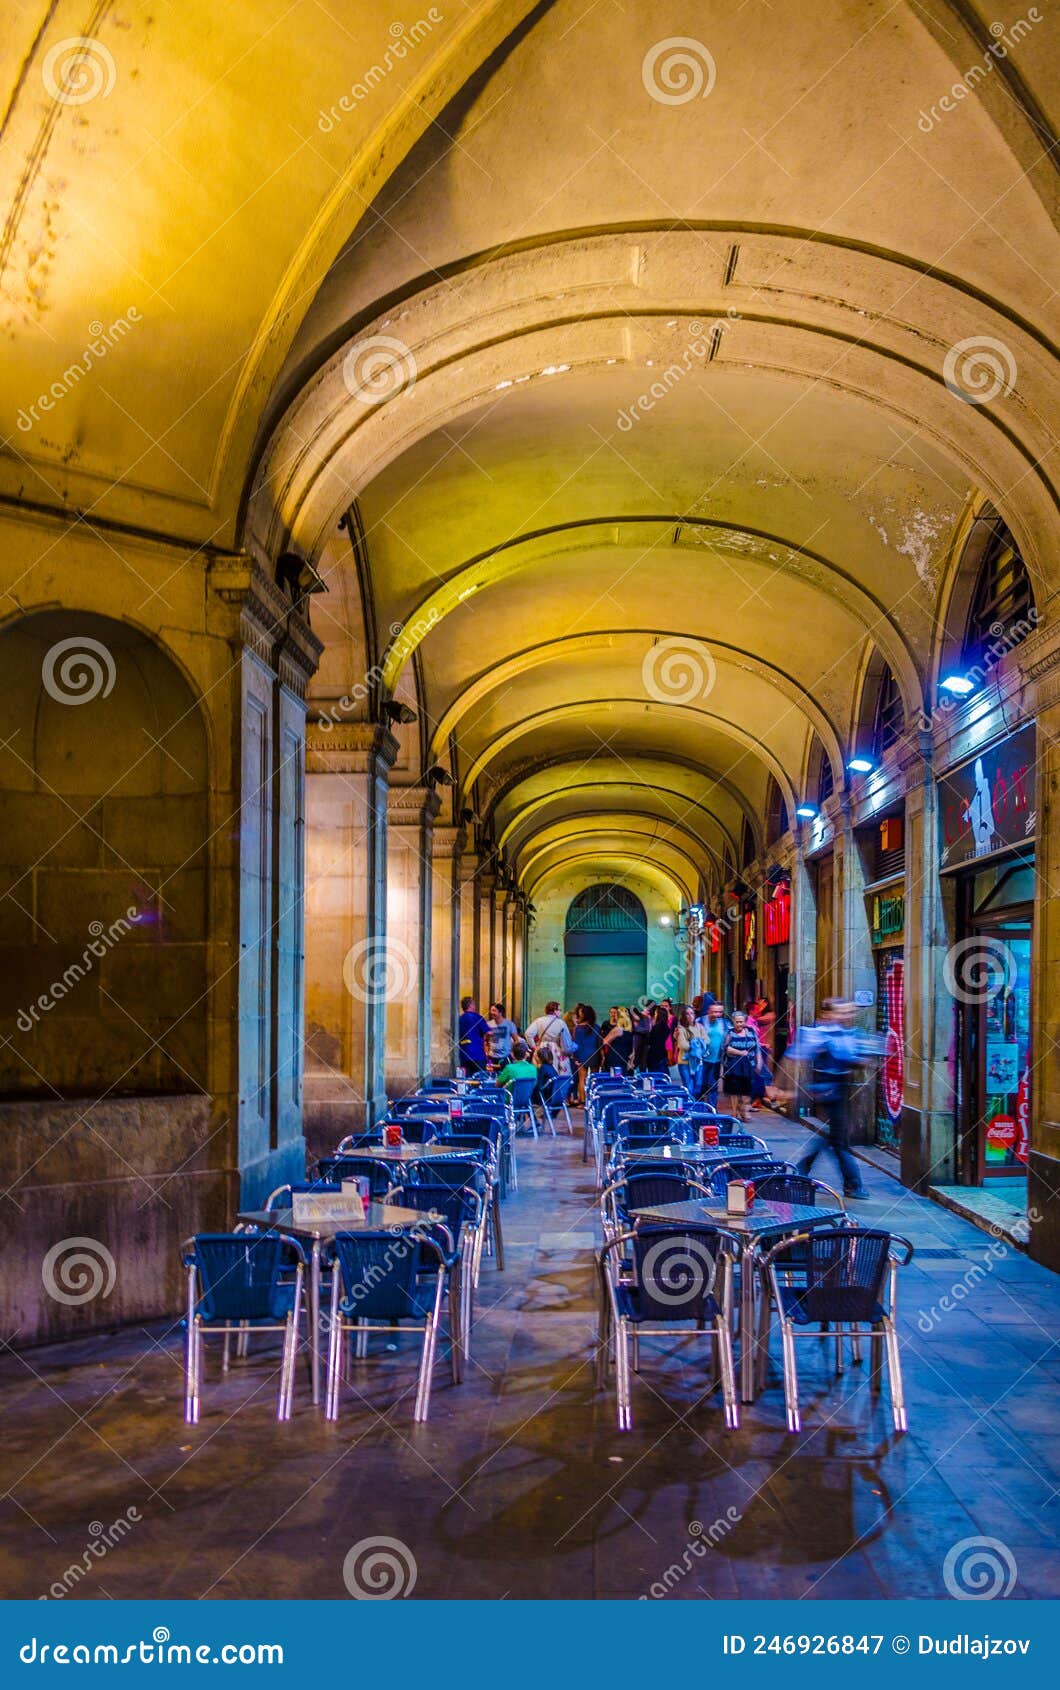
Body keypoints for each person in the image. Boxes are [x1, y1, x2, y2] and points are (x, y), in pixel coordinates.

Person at [786, 999, 871, 1198]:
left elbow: (851, 1060)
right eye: (843, 1012)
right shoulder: (821, 1034)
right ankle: (853, 1184)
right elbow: (796, 1055)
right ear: (830, 1014)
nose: (847, 1015)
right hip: (828, 1091)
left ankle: (803, 1168)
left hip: (840, 1090)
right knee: (839, 1140)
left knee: (834, 1137)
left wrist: (861, 1059)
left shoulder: (848, 1034)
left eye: (850, 1012)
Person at [719, 1010, 763, 1122]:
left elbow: (757, 1048)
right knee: (734, 1090)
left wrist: (759, 1062)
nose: (739, 1024)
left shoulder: (751, 1032)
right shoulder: (729, 1033)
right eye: (737, 1022)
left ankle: (745, 1110)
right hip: (733, 1066)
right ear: (733, 1022)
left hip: (748, 1065)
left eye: (741, 1022)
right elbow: (725, 1048)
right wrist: (740, 1052)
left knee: (746, 1089)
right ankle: (735, 1111)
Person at [698, 1001, 732, 1107]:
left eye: (720, 1012)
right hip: (700, 1060)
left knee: (713, 1085)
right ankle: (698, 1108)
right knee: (700, 1085)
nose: (717, 1014)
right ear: (709, 1011)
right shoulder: (700, 1021)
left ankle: (712, 1109)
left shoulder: (725, 1023)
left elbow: (731, 1036)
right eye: (714, 1012)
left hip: (716, 1060)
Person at [572, 1004, 603, 1103]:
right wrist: (602, 1057)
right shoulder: (597, 1027)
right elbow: (600, 1043)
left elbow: (576, 1044)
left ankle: (583, 1101)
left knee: (582, 1079)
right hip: (595, 1054)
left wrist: (575, 1058)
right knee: (594, 1079)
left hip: (582, 1055)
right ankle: (593, 1100)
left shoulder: (578, 1028)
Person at [458, 996, 490, 1074]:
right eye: (474, 1004)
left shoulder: (459, 1019)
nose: (475, 1006)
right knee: (480, 1079)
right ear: (471, 1005)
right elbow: (488, 1032)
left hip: (463, 1055)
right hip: (478, 1054)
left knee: (465, 1080)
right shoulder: (477, 1017)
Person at [485, 1001, 518, 1069]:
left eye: (494, 1011)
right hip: (492, 1057)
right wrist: (486, 1052)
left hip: (505, 1057)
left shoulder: (509, 1024)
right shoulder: (488, 1024)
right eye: (491, 1010)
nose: (492, 1013)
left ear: (500, 1012)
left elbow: (516, 1040)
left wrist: (512, 1053)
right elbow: (485, 1040)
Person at [669, 1004, 695, 1087]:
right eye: (687, 1014)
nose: (691, 1016)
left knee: (697, 1086)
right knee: (688, 1085)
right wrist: (695, 1046)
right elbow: (681, 1044)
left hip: (696, 1061)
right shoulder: (679, 1028)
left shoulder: (699, 1026)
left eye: (692, 1013)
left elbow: (705, 1041)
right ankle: (690, 1100)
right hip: (684, 1060)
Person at [602, 1006, 634, 1072]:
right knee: (622, 1079)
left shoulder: (617, 1029)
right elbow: (633, 1048)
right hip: (625, 1057)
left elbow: (605, 1042)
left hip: (615, 1058)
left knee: (615, 1080)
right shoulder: (630, 1030)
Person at [533, 1039, 559, 1108]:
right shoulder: (552, 1067)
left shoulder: (542, 1068)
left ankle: (532, 1118)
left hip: (545, 1096)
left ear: (539, 1058)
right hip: (555, 1095)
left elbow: (539, 1085)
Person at [646, 1002, 671, 1073]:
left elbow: (649, 1041)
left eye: (656, 1013)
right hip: (663, 1054)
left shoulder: (656, 1027)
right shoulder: (666, 1027)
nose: (654, 1015)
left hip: (654, 1055)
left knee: (655, 1076)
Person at [631, 1002, 653, 1071]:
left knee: (642, 1062)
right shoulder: (630, 1022)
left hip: (643, 1043)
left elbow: (647, 1030)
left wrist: (636, 1029)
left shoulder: (644, 1018)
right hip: (634, 1044)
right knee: (633, 1060)